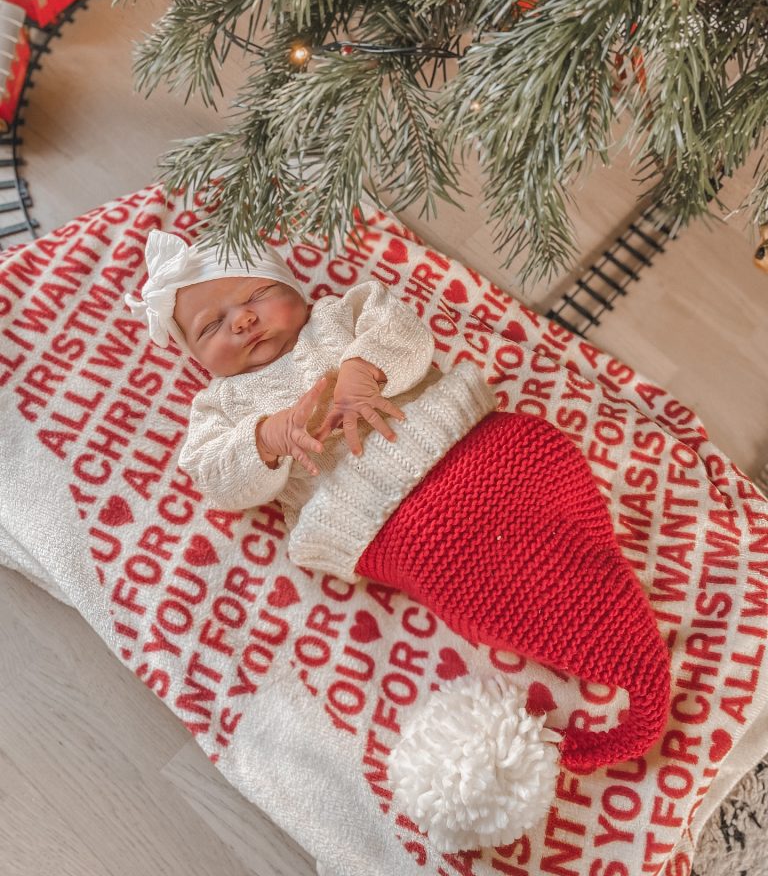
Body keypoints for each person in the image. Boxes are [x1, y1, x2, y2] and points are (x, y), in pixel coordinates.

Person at [126, 227, 671, 777]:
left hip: (469, 438)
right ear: (195, 357)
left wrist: (363, 371)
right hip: (383, 517)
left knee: (542, 456)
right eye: (212, 326)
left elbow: (402, 329)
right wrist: (270, 435)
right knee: (460, 566)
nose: (241, 320)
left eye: (255, 295)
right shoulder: (221, 406)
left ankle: (616, 618)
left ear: (292, 285)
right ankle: (620, 660)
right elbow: (216, 476)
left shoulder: (340, 316)